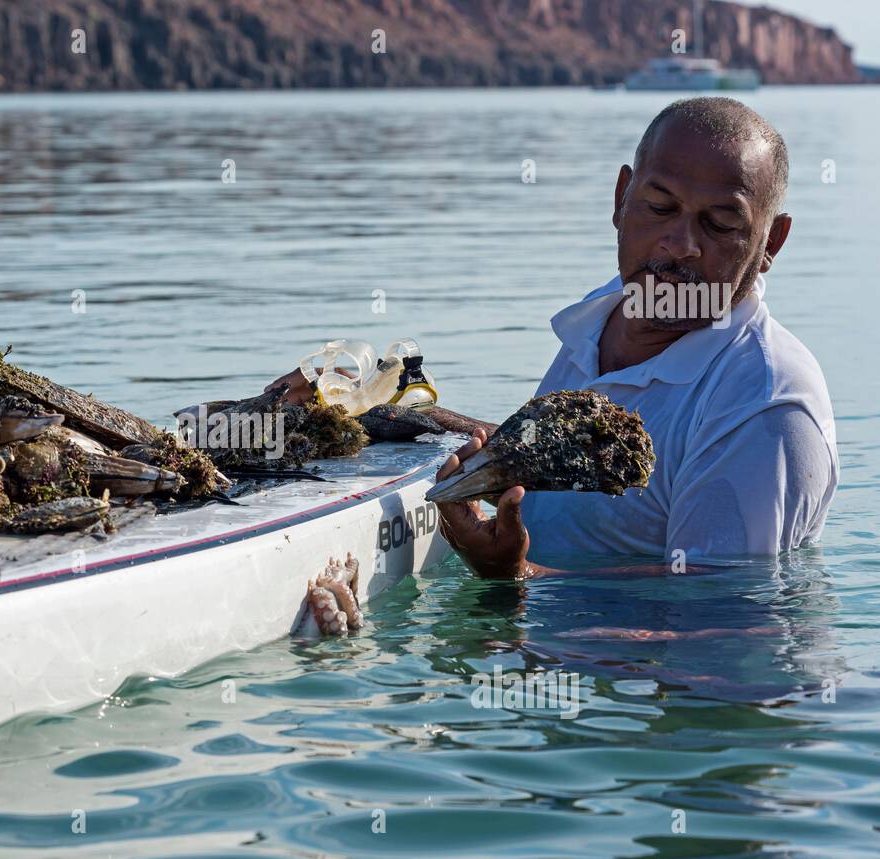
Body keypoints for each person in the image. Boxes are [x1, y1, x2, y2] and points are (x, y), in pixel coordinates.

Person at [273, 97, 837, 580]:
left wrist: (515, 579)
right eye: (660, 206)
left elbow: (719, 620)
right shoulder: (601, 317)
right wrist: (380, 411)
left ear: (772, 242)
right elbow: (574, 475)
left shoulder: (763, 402)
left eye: (719, 223)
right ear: (621, 198)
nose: (680, 243)